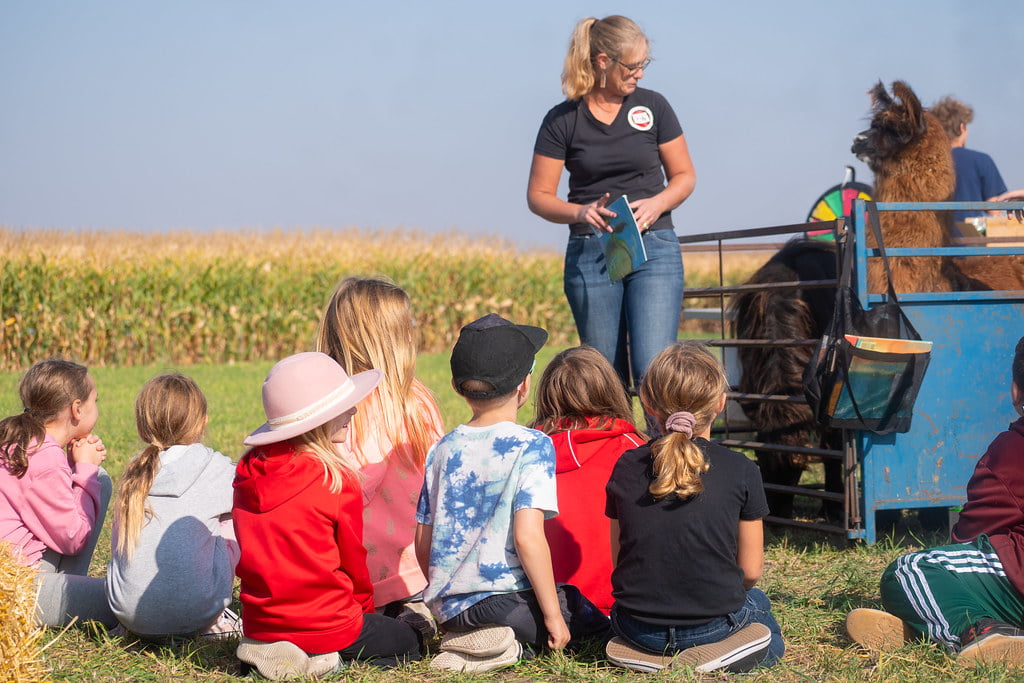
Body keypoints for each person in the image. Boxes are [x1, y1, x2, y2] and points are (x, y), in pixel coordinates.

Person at [414, 314, 610, 673]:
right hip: (506, 603)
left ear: (458, 387)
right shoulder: (532, 445)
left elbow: (423, 541)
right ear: (524, 384)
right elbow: (528, 537)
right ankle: (510, 647)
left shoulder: (440, 449)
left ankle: (468, 643)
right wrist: (553, 617)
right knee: (580, 611)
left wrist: (439, 594)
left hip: (450, 610)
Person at [527, 15, 696, 388]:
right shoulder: (562, 120)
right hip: (592, 250)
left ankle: (662, 447)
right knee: (605, 375)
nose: (640, 74)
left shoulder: (655, 108)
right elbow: (538, 197)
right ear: (603, 62)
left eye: (643, 65)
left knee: (655, 369)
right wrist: (581, 212)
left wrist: (657, 203)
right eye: (633, 66)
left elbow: (685, 176)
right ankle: (616, 445)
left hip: (654, 247)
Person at [233, 352, 421, 681]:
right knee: (408, 641)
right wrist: (365, 611)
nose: (353, 410)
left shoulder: (248, 471)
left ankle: (276, 649)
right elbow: (352, 561)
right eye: (343, 407)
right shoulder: (335, 479)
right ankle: (324, 658)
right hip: (327, 623)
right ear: (319, 420)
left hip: (261, 623)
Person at [604, 341, 784, 673]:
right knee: (762, 613)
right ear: (720, 403)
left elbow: (619, 558)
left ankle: (647, 656)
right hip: (712, 624)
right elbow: (752, 571)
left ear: (646, 402)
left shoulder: (626, 465)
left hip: (635, 626)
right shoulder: (742, 468)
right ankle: (714, 657)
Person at [846, 336, 1024, 667]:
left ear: (1016, 391)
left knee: (908, 572)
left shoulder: (1011, 452)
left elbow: (970, 540)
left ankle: (981, 632)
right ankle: (932, 626)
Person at [315, 277, 443, 634]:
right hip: (412, 564)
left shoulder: (339, 407)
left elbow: (348, 484)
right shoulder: (417, 400)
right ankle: (408, 611)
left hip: (353, 567)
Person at [105, 373, 240, 641]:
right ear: (203, 422)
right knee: (233, 518)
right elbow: (250, 494)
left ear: (142, 427)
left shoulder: (136, 469)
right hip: (196, 614)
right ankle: (215, 619)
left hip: (128, 614)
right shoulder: (215, 467)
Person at [0, 359, 116, 628]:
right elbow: (72, 538)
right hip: (16, 594)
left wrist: (75, 465)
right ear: (77, 409)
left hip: (13, 577)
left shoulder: (20, 442)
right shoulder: (45, 458)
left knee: (97, 478)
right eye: (95, 400)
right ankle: (69, 587)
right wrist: (85, 469)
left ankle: (69, 583)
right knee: (121, 602)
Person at [530, 345, 644, 615]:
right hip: (622, 604)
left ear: (547, 395)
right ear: (611, 391)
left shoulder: (527, 449)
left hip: (544, 607)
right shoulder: (635, 450)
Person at [931, 96, 1008, 224]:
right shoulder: (982, 160)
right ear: (962, 128)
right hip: (971, 239)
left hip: (937, 240)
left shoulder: (930, 163)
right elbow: (994, 210)